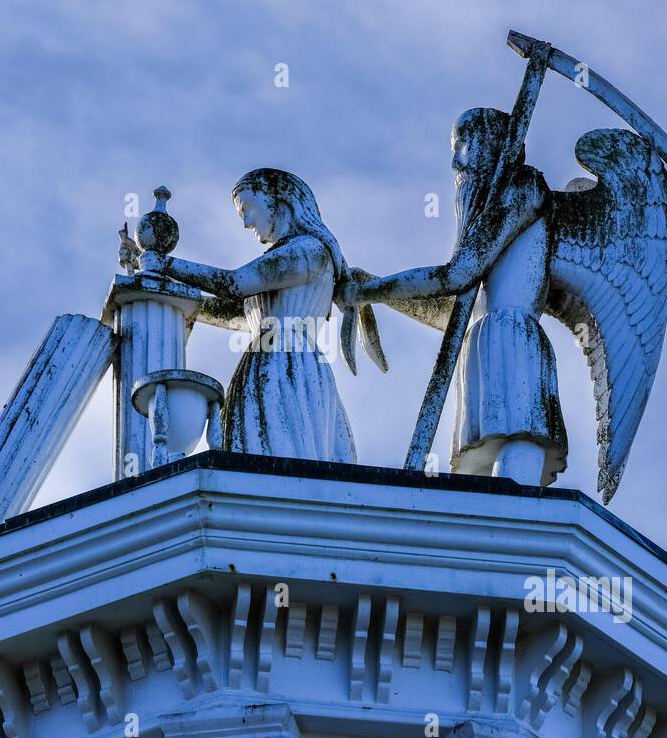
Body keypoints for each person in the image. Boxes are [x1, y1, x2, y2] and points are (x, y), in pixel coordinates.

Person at [345, 108, 568, 486]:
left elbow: (457, 274)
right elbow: (454, 310)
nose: (455, 160)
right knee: (483, 457)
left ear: (489, 143)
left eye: (463, 145)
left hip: (512, 336)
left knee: (519, 433)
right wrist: (379, 290)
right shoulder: (489, 204)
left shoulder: (522, 188)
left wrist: (371, 290)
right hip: (480, 339)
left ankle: (516, 520)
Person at [138, 168, 357, 463]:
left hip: (287, 364)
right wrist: (172, 295)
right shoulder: (286, 258)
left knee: (284, 457)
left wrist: (166, 265)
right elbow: (234, 311)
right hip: (266, 359)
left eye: (248, 208)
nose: (246, 222)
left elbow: (234, 283)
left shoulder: (308, 251)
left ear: (280, 201)